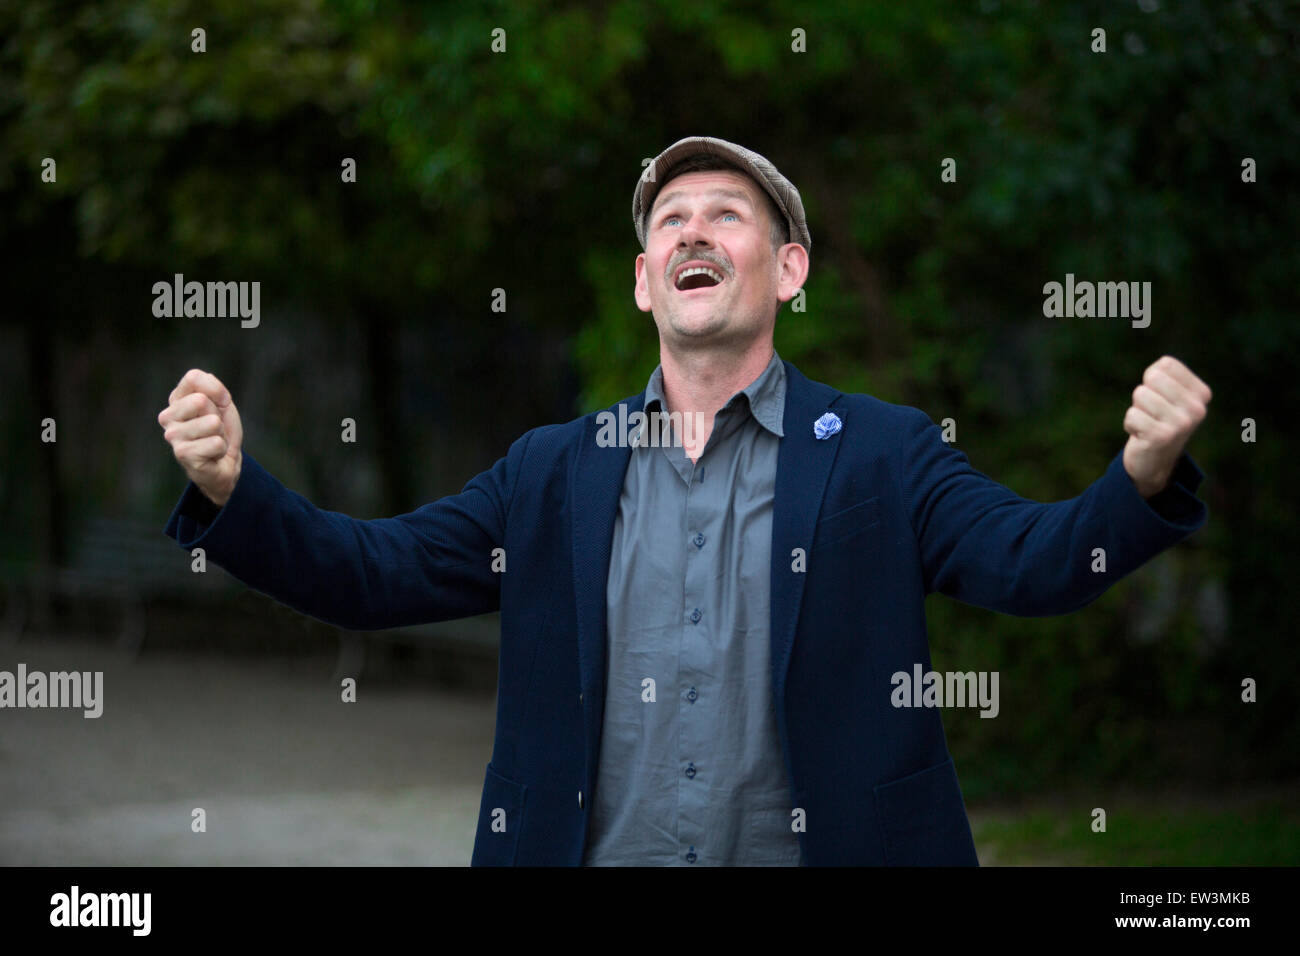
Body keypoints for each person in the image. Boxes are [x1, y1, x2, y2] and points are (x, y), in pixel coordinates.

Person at [157, 136, 1212, 865]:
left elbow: (1031, 563)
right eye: (671, 219)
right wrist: (232, 488)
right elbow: (368, 573)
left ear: (790, 267)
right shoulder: (551, 469)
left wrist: (1138, 480)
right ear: (643, 275)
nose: (693, 232)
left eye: (726, 215)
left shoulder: (883, 452)